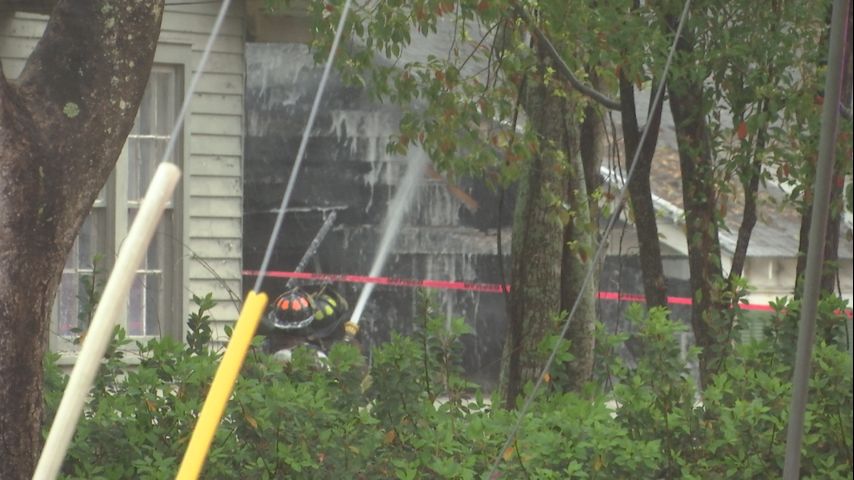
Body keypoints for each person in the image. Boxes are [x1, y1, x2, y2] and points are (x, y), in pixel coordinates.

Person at [259, 284, 352, 362]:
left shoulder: (315, 357)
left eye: (292, 335)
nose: (286, 338)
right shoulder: (263, 349)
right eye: (282, 334)